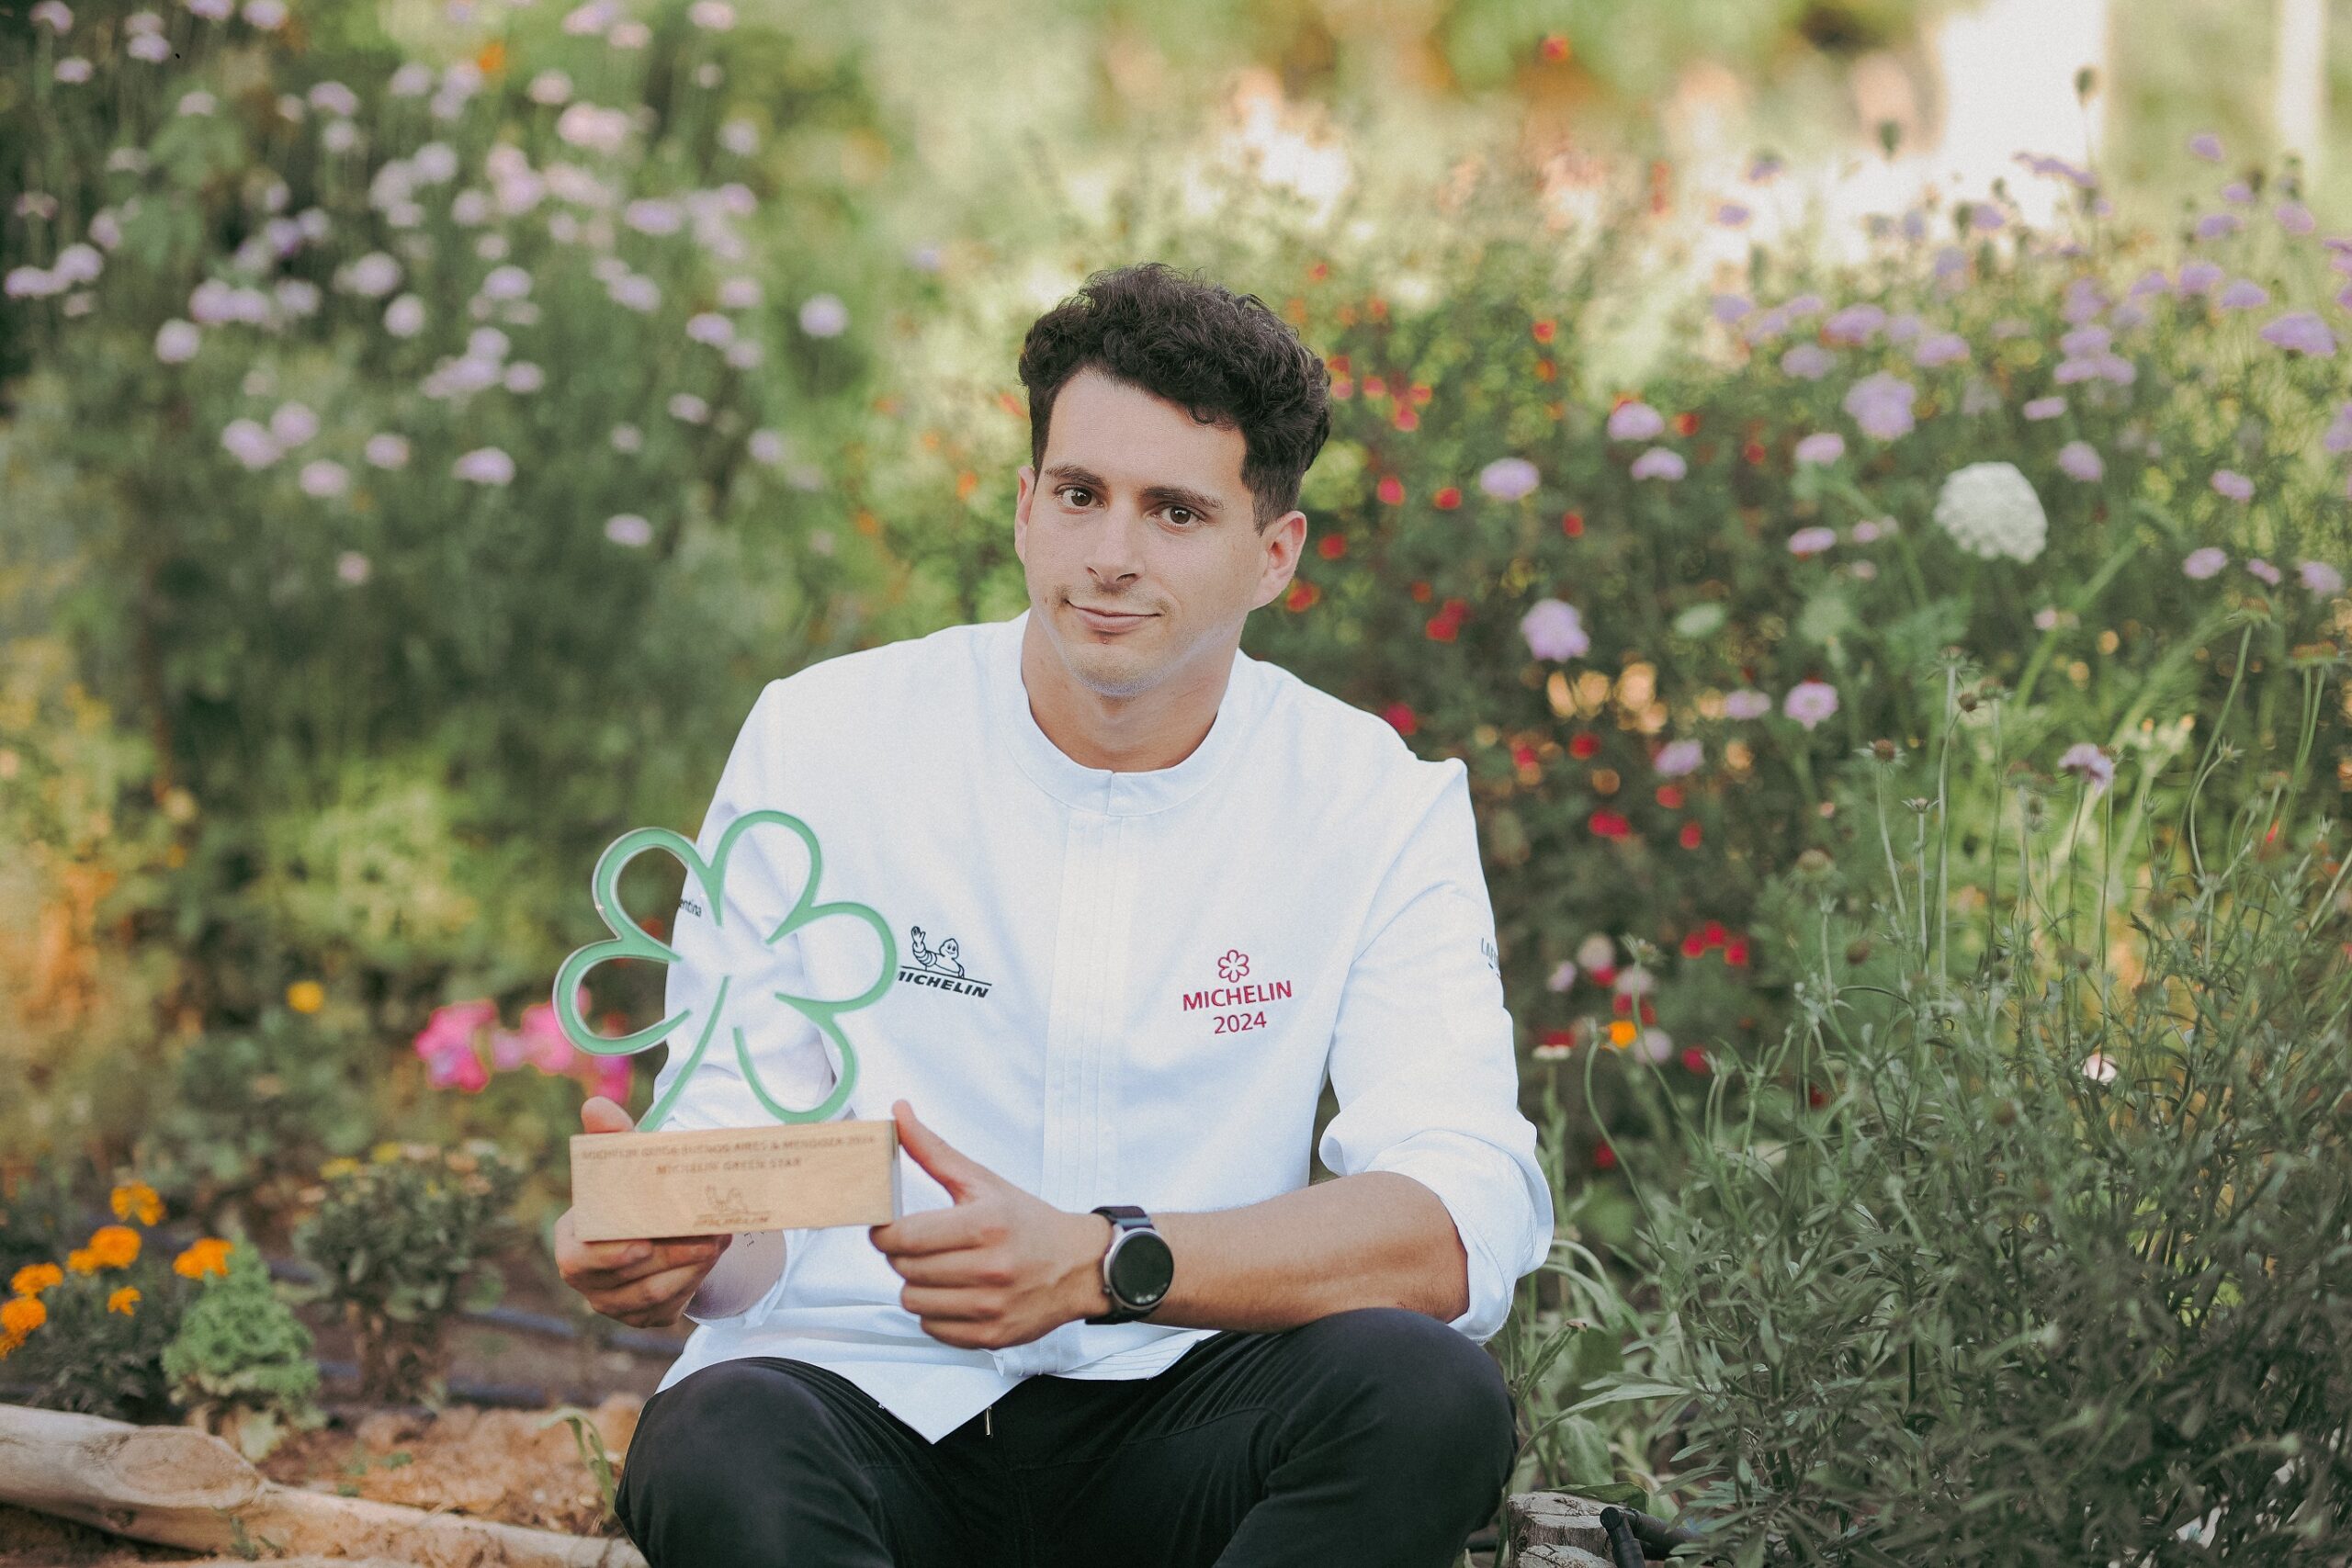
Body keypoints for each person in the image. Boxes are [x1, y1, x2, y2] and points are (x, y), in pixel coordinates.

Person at [553, 261, 1555, 1567]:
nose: (1111, 556)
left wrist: (1107, 1262)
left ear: (1274, 555)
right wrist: (674, 1246)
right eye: (1081, 495)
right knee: (714, 1437)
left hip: (1187, 1407)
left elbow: (1460, 1213)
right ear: (1026, 508)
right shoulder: (826, 739)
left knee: (1427, 1396)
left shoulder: (1370, 798)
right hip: (868, 1399)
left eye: (1176, 512)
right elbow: (740, 1123)